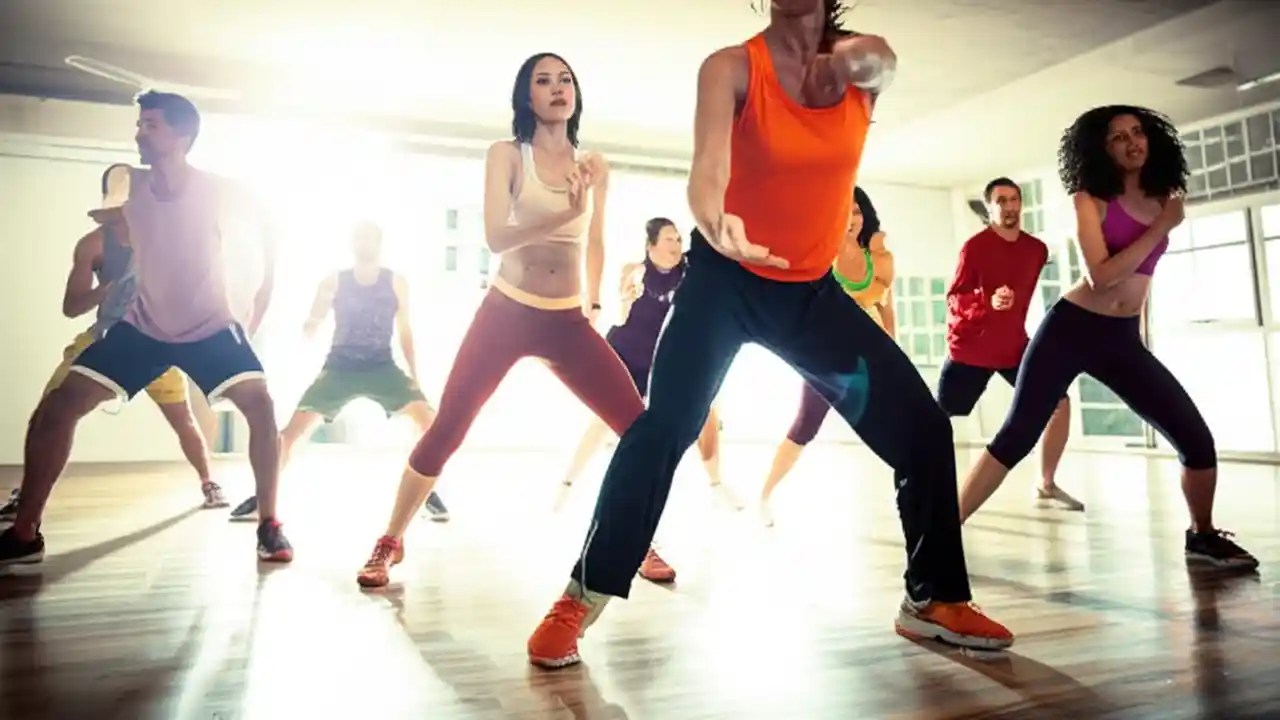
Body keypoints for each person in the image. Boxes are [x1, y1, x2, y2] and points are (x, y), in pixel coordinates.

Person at [527, 0, 1012, 669]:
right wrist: (715, 221)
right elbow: (707, 173)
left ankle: (932, 601)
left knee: (923, 429)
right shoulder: (730, 68)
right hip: (722, 285)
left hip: (810, 298)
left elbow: (883, 63)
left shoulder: (859, 68)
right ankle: (581, 596)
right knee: (662, 426)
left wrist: (844, 60)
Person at [354, 52, 649, 588]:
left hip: (567, 320)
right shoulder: (506, 155)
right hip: (507, 312)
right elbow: (496, 237)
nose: (557, 87)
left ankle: (635, 539)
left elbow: (597, 238)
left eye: (565, 79)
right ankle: (389, 540)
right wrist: (565, 212)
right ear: (527, 97)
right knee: (448, 427)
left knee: (639, 430)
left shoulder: (593, 164)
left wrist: (597, 304)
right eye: (543, 81)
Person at [956, 105, 1257, 571]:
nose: (1132, 142)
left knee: (1195, 438)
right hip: (1071, 328)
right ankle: (941, 531)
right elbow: (1101, 277)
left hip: (1120, 339)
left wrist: (1140, 323)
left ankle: (1203, 536)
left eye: (1138, 132)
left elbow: (1139, 281)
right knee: (1017, 434)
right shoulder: (1091, 198)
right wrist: (1162, 226)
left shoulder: (1164, 197)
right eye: (1118, 137)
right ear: (1102, 148)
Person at [0, 90, 292, 566]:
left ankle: (269, 525)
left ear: (182, 135)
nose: (139, 132)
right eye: (139, 125)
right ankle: (25, 531)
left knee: (261, 408)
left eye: (150, 125)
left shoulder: (220, 189)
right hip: (143, 327)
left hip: (211, 328)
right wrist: (121, 212)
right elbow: (113, 201)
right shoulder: (129, 181)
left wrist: (260, 299)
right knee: (58, 409)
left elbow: (267, 228)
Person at [0, 164, 228, 526]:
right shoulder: (92, 245)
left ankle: (209, 482)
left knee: (183, 419)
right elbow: (71, 306)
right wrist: (105, 290)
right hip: (106, 338)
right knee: (50, 412)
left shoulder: (163, 238)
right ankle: (27, 499)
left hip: (154, 341)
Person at [227, 220, 450, 522]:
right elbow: (313, 319)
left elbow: (405, 330)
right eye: (359, 238)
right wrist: (306, 327)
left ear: (379, 243)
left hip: (382, 366)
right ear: (353, 244)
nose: (364, 243)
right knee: (290, 434)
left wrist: (414, 374)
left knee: (429, 422)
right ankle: (262, 497)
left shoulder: (396, 282)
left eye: (369, 238)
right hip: (339, 367)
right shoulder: (334, 281)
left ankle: (425, 493)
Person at [558, 218, 738, 509]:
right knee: (603, 422)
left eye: (678, 240)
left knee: (705, 413)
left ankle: (717, 484)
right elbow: (621, 317)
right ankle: (568, 482)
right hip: (628, 355)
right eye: (669, 239)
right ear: (650, 245)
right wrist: (626, 298)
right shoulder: (635, 271)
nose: (676, 245)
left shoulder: (688, 274)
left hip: (664, 359)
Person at [939, 177, 1081, 512]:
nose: (1009, 206)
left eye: (1014, 199)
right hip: (970, 349)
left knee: (1059, 402)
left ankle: (1046, 484)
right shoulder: (974, 247)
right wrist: (986, 301)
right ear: (989, 208)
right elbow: (954, 298)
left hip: (1013, 347)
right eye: (1000, 201)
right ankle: (927, 487)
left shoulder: (1036, 250)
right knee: (938, 419)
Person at [758, 186, 893, 526]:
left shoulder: (877, 254)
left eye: (858, 211)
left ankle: (917, 499)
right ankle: (765, 496)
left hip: (871, 350)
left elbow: (885, 304)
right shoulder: (820, 250)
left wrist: (892, 345)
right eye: (845, 210)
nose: (852, 218)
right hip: (827, 353)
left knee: (896, 425)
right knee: (805, 425)